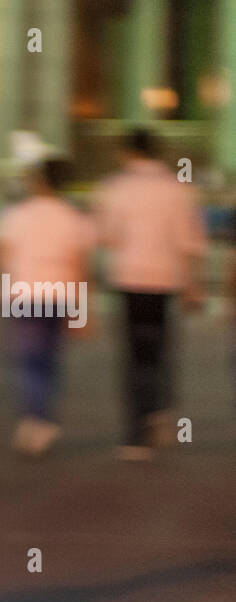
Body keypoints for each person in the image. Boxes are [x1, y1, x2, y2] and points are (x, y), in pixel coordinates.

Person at [94, 127, 208, 461]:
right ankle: (160, 408)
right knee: (160, 346)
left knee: (134, 356)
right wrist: (193, 285)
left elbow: (107, 236)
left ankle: (136, 435)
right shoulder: (178, 189)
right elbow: (190, 242)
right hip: (166, 279)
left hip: (130, 278)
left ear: (126, 153)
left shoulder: (114, 188)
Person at [0, 157, 96, 456]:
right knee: (48, 360)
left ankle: (35, 417)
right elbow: (80, 267)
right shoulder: (73, 217)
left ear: (40, 181)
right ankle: (41, 418)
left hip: (23, 294)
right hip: (58, 294)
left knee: (27, 360)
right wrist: (83, 313)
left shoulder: (15, 214)